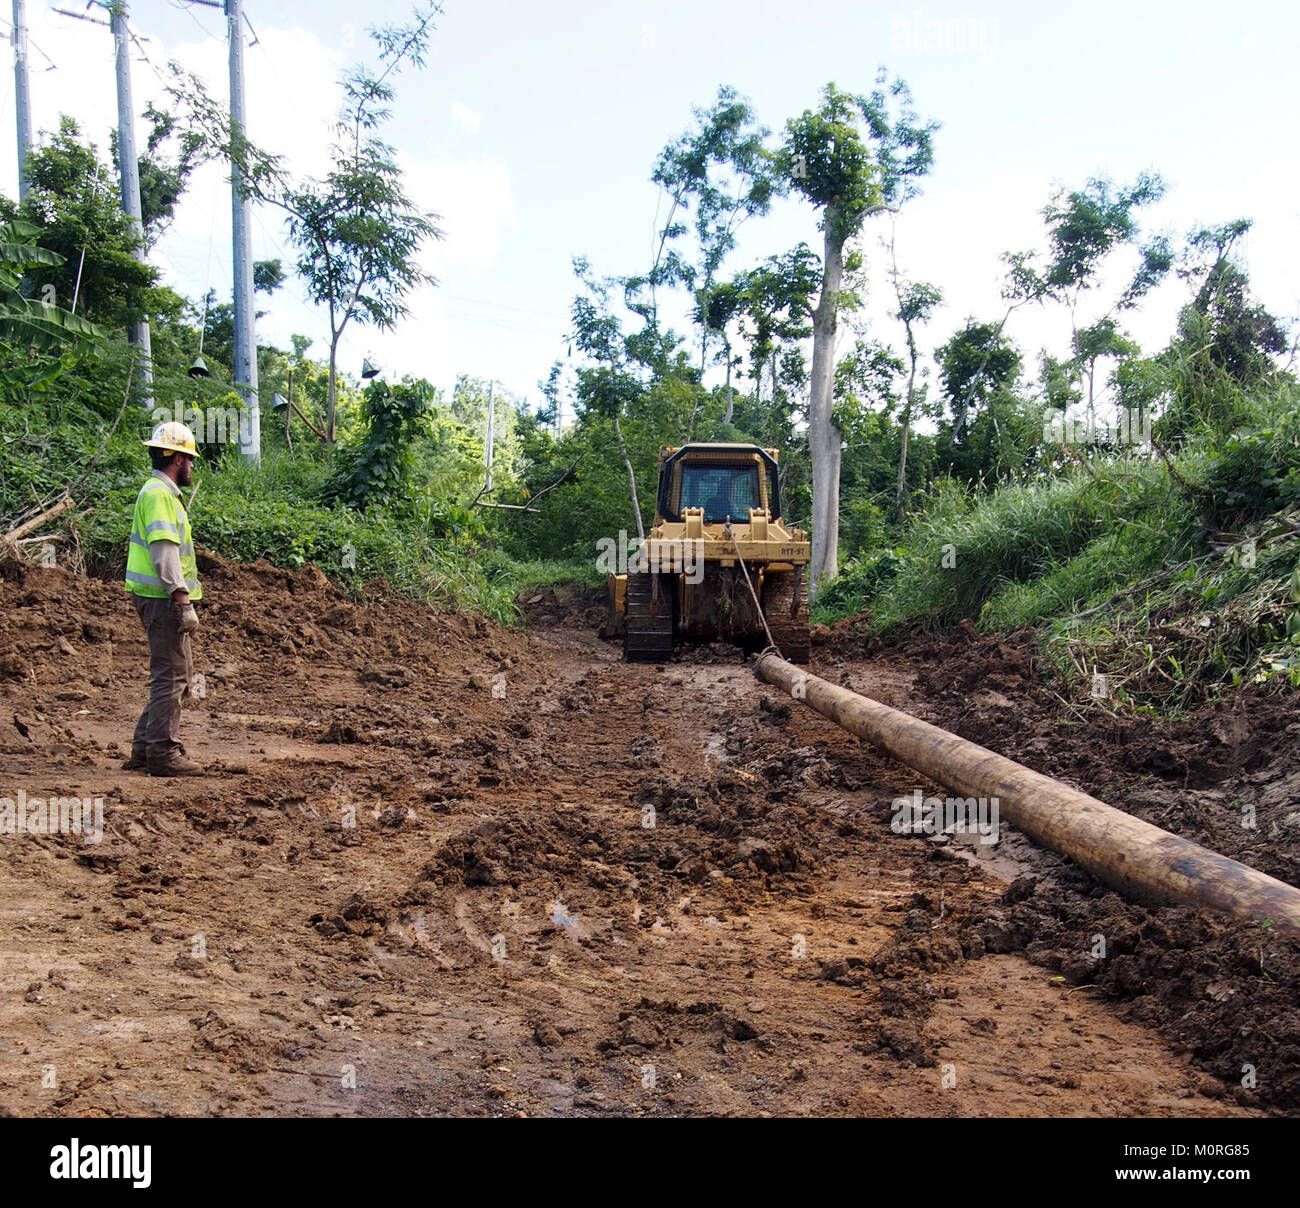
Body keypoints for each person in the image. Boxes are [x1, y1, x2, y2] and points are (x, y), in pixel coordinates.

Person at [123, 422, 204, 777]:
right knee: (171, 676)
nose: (192, 466)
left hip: (158, 596)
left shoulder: (161, 493)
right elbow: (164, 551)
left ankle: (145, 748)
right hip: (162, 598)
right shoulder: (158, 495)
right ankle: (162, 753)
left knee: (176, 673)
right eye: (189, 458)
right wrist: (181, 598)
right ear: (175, 458)